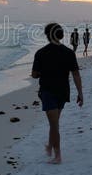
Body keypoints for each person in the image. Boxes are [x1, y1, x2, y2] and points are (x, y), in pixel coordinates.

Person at [31, 23, 83, 164]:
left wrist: (43, 71)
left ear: (48, 35)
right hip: (63, 91)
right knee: (54, 123)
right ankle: (49, 146)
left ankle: (57, 156)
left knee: (54, 125)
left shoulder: (41, 53)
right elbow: (76, 74)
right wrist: (80, 93)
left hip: (48, 91)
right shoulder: (69, 52)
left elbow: (34, 75)